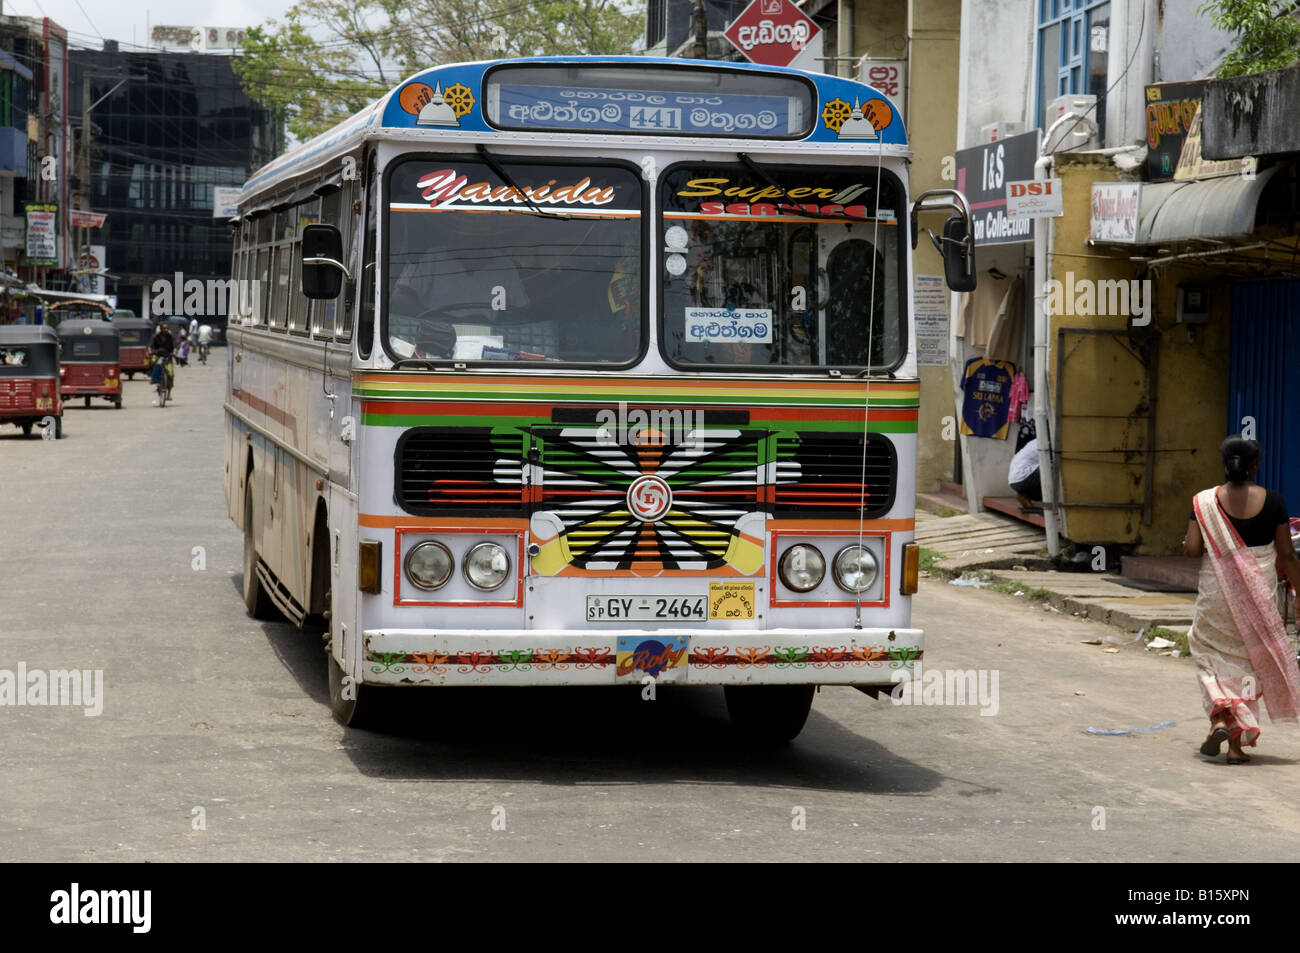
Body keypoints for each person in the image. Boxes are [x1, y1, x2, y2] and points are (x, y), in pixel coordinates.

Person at [1184, 436, 1300, 764]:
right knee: (1249, 664)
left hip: (1216, 598)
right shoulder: (1274, 501)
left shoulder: (1203, 502)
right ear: (1254, 466)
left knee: (1209, 656)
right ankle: (1236, 747)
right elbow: (1287, 554)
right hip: (1258, 596)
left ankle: (1220, 718)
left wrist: (1191, 541)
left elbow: (1192, 551)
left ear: (1224, 464)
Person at [1008, 436, 1041, 510]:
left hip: (1014, 481)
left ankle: (1025, 494)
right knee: (1053, 467)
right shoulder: (1047, 442)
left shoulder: (1034, 441)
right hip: (1023, 479)